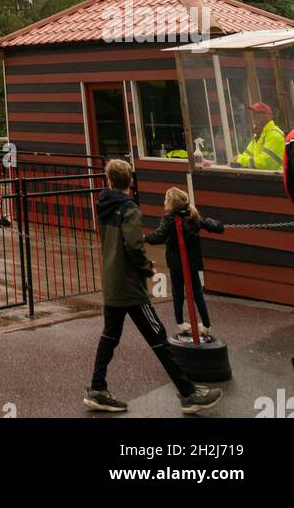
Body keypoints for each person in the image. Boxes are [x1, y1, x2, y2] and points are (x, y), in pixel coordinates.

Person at [83, 158, 221, 414]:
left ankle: (97, 387)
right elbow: (134, 246)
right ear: (131, 181)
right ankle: (189, 393)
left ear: (109, 181)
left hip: (112, 281)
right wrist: (147, 268)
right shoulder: (129, 210)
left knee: (110, 336)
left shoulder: (102, 206)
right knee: (158, 336)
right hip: (131, 286)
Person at [145, 187, 224, 338]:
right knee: (197, 293)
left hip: (176, 263)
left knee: (178, 292)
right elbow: (212, 225)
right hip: (192, 262)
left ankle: (180, 323)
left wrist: (143, 237)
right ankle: (206, 324)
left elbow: (159, 237)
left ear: (170, 204)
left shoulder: (169, 218)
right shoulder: (192, 215)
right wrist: (219, 226)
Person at [231, 101, 285, 170]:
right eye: (253, 115)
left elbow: (266, 163)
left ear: (266, 117)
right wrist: (238, 159)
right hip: (263, 178)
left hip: (278, 180)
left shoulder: (275, 135)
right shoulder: (258, 136)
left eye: (256, 114)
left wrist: (240, 160)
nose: (253, 118)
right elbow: (246, 155)